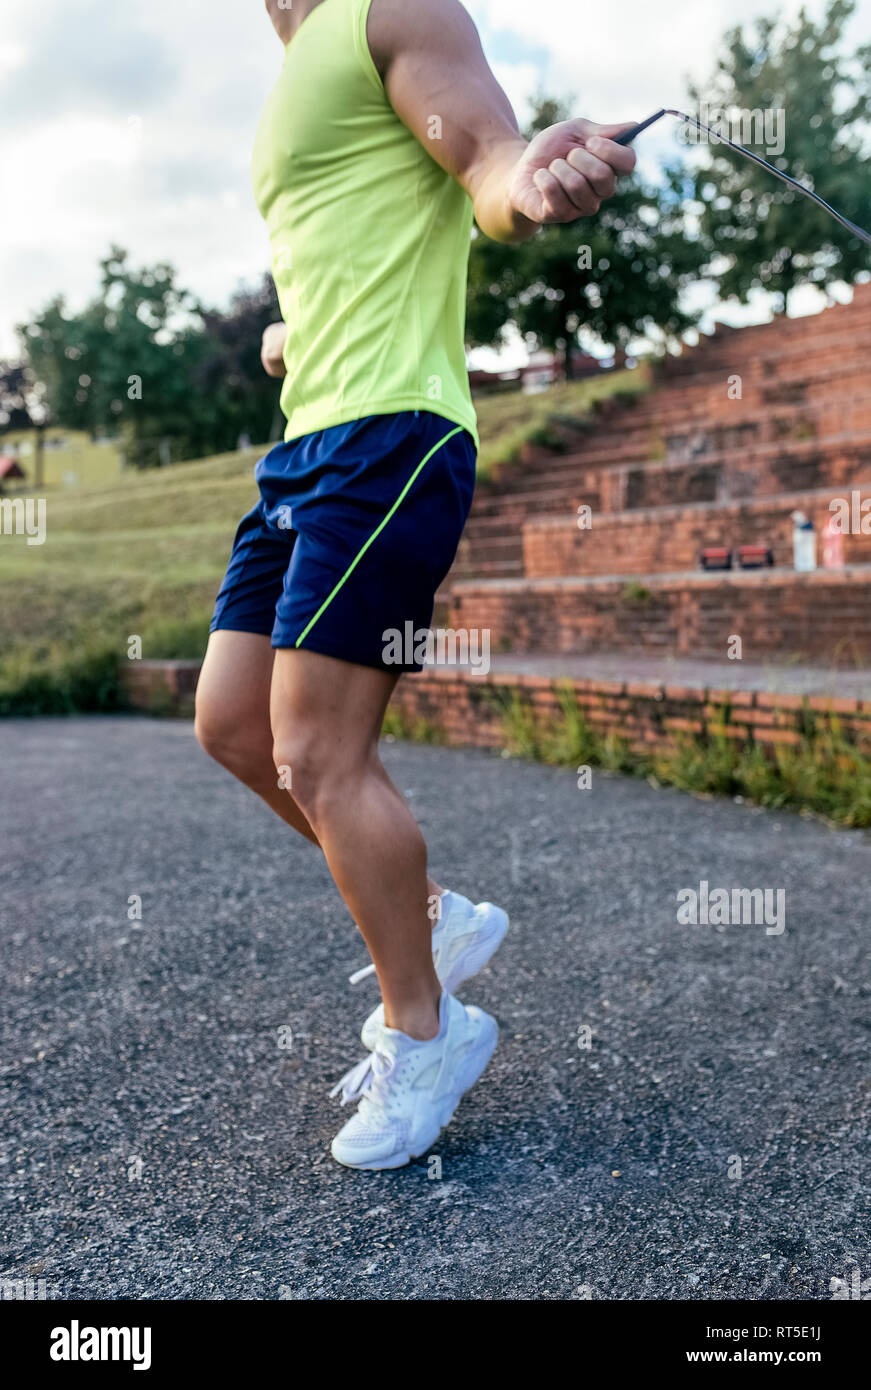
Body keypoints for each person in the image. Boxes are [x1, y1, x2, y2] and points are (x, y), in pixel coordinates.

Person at [194, 0, 636, 1170]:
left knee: (318, 751)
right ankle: (432, 912)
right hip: (306, 442)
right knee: (232, 722)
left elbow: (484, 166)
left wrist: (529, 183)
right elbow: (357, 233)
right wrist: (297, 330)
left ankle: (427, 1028)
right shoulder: (293, 72)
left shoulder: (393, 7)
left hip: (390, 437)